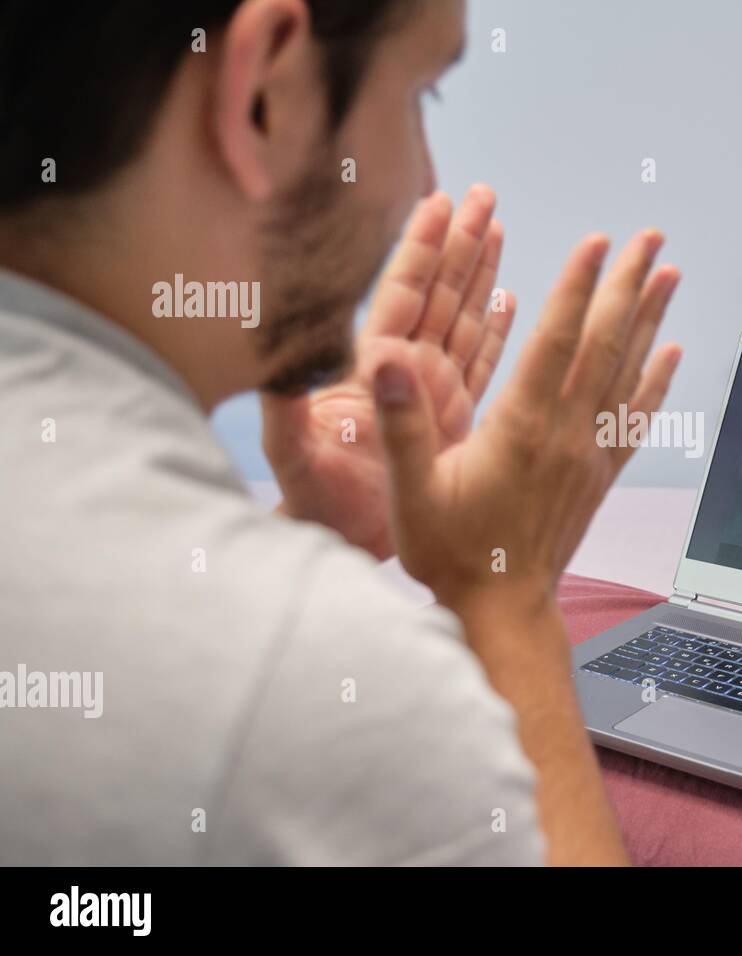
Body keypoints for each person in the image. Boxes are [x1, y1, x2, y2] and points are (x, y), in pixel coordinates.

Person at [0, 0, 681, 865]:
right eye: (420, 97)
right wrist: (503, 599)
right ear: (264, 94)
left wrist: (304, 543)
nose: (422, 185)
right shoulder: (322, 697)